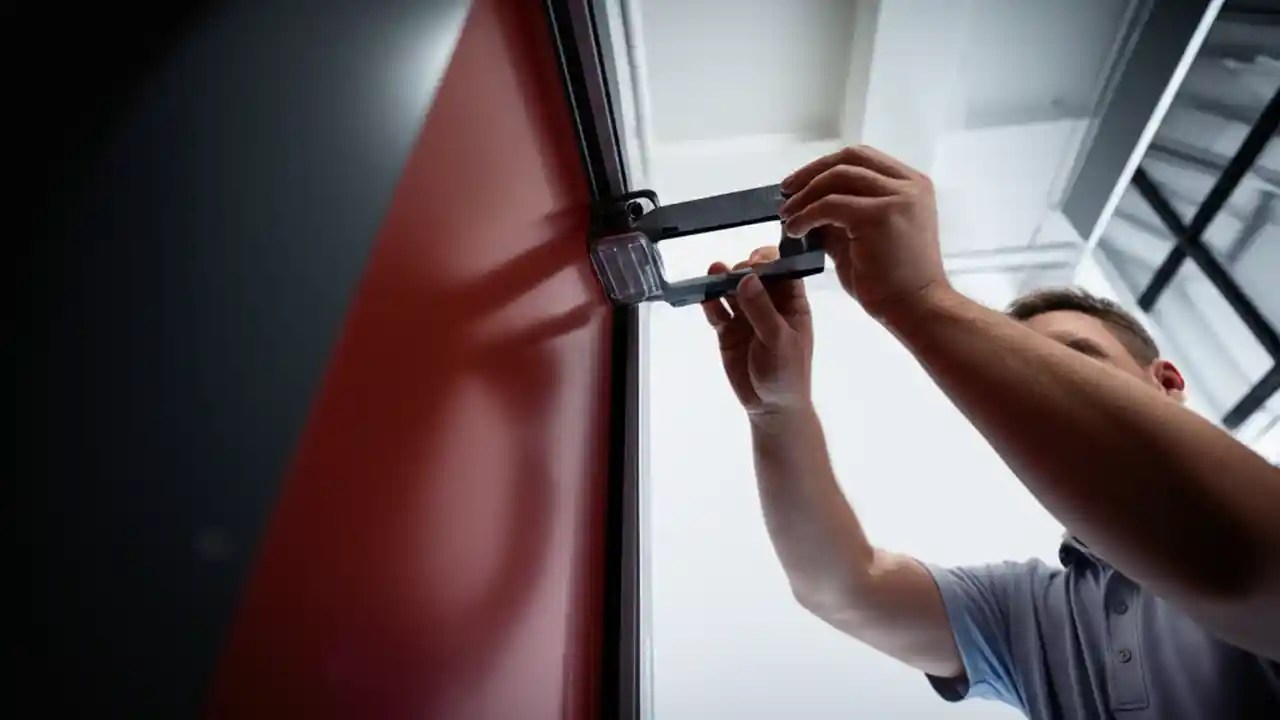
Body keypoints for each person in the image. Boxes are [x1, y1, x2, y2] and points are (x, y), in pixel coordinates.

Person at [701, 145, 1280, 719]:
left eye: (1077, 362)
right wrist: (778, 412)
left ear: (1167, 381)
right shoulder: (1032, 611)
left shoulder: (1250, 505)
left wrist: (922, 301)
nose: (1040, 397)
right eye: (1024, 377)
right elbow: (842, 587)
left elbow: (1248, 567)